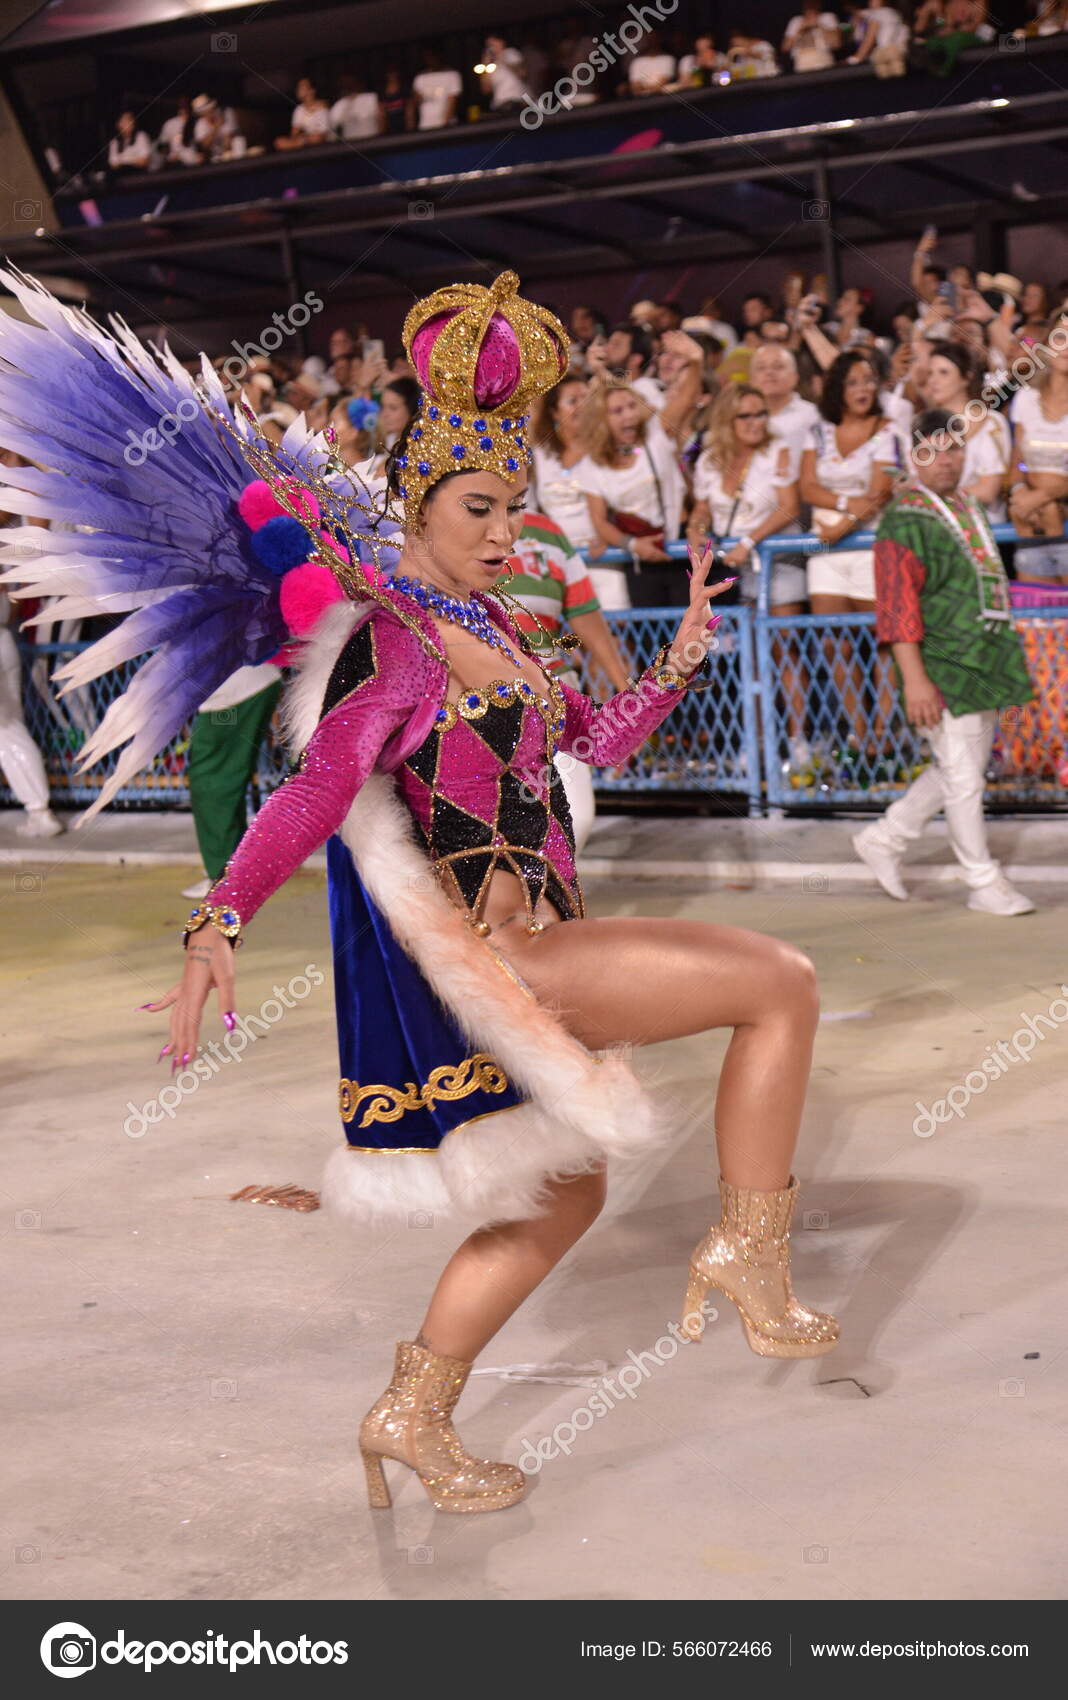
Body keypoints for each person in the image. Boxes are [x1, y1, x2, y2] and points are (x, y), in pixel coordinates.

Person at [2, 265, 840, 1519]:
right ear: (416, 499)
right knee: (780, 982)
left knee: (563, 1191)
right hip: (500, 960)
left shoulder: (493, 620)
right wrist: (218, 912)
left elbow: (593, 746)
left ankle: (412, 1410)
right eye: (480, 506)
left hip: (546, 939)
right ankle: (744, 1252)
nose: (509, 530)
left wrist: (673, 661)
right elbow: (316, 790)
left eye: (518, 505)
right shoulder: (394, 641)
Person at [854, 410, 1035, 916]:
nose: (946, 458)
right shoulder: (903, 516)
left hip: (982, 656)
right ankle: (982, 880)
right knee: (963, 775)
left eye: (954, 447)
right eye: (933, 449)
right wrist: (914, 679)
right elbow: (894, 604)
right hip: (942, 660)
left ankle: (886, 838)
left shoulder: (967, 506)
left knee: (959, 769)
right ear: (915, 456)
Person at [495, 509, 630, 850]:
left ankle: (545, 900)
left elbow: (584, 612)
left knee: (577, 817)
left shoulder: (547, 530)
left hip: (554, 693)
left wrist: (627, 695)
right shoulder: (454, 522)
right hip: (482, 698)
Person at [580, 335, 705, 607]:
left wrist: (695, 361)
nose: (628, 415)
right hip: (638, 558)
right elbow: (599, 521)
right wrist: (634, 546)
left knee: (691, 634)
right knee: (653, 644)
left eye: (630, 406)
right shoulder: (593, 464)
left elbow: (685, 398)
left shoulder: (656, 434)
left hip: (678, 548)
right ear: (603, 419)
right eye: (617, 411)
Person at [182, 664, 284, 900]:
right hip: (253, 681)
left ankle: (223, 878)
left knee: (211, 779)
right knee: (226, 778)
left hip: (234, 692)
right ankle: (236, 870)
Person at [1008, 312, 1068, 582]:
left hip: (1059, 514)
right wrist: (1020, 492)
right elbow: (1017, 462)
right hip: (1032, 517)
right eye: (1060, 337)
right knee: (1037, 617)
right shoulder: (1026, 398)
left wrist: (1040, 496)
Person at [411, 48, 462, 130]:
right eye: (428, 56)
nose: (431, 59)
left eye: (433, 56)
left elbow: (452, 101)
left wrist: (445, 125)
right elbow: (415, 102)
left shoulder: (451, 74)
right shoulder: (420, 77)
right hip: (425, 125)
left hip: (446, 126)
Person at [275, 77, 331, 149]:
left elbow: (323, 136)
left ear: (312, 90)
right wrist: (298, 139)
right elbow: (294, 134)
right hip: (304, 141)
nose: (298, 90)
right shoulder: (299, 110)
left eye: (302, 87)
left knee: (316, 138)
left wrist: (304, 139)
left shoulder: (322, 108)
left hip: (321, 143)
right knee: (279, 142)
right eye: (298, 87)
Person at [782, 5, 842, 70]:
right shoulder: (796, 21)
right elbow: (785, 47)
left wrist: (819, 25)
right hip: (801, 61)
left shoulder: (827, 17)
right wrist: (800, 30)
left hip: (822, 59)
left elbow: (837, 44)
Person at [481, 36, 530, 112]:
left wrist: (502, 59)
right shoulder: (491, 64)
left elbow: (522, 74)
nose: (491, 47)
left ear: (501, 42)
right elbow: (486, 89)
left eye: (493, 43)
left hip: (518, 100)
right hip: (500, 104)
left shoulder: (511, 53)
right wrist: (485, 65)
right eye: (489, 45)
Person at [329, 73, 380, 141]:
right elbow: (332, 133)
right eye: (345, 82)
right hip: (352, 146)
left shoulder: (371, 98)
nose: (348, 84)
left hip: (374, 143)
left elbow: (382, 121)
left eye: (350, 81)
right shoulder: (339, 105)